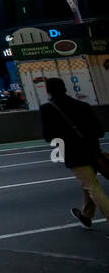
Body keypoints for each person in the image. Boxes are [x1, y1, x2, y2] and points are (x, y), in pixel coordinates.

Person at [40, 77, 109, 230]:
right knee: (89, 184)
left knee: (92, 186)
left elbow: (48, 136)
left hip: (74, 154)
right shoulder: (83, 105)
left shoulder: (47, 109)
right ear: (65, 88)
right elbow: (99, 131)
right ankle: (86, 215)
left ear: (48, 91)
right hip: (93, 151)